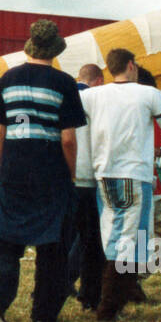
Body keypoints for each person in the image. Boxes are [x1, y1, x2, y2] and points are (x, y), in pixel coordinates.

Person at [0, 21, 86, 322]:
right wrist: (70, 174)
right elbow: (68, 139)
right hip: (50, 173)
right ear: (55, 51)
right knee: (52, 248)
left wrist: (3, 166)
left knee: (6, 245)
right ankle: (44, 316)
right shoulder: (64, 83)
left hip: (12, 171)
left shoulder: (8, 80)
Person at [85, 47, 161, 321]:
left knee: (113, 236)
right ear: (130, 65)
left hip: (103, 173)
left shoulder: (93, 95)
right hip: (135, 175)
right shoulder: (148, 93)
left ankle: (113, 298)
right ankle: (109, 307)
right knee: (133, 242)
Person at [71, 62, 107, 309]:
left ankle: (51, 285)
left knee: (65, 238)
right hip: (90, 177)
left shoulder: (65, 96)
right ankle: (89, 294)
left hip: (66, 178)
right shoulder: (98, 101)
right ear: (99, 81)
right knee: (92, 241)